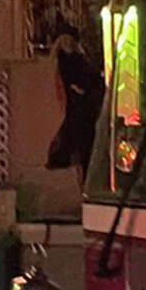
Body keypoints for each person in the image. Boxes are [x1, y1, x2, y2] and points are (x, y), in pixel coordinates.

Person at [46, 30, 105, 180]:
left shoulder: (77, 59)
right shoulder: (66, 61)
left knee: (83, 141)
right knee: (81, 141)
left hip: (83, 105)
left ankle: (84, 173)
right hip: (79, 105)